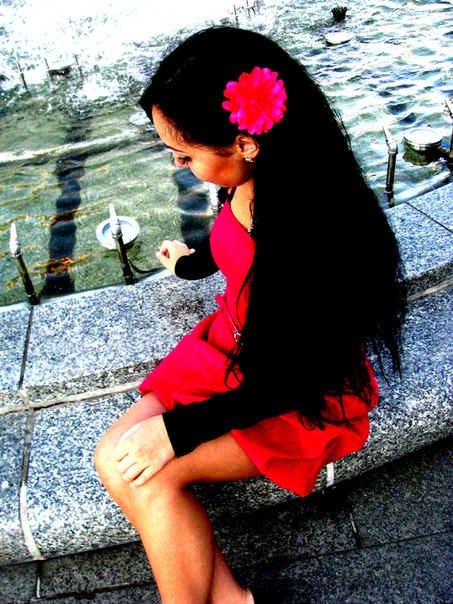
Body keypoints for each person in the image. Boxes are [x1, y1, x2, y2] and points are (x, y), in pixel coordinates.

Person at [94, 25, 406, 604]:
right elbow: (231, 237)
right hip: (232, 348)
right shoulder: (260, 177)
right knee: (112, 458)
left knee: (151, 471)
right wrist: (191, 264)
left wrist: (176, 432)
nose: (180, 166)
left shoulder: (315, 236)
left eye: (186, 155)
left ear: (245, 142)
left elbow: (291, 379)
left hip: (293, 388)